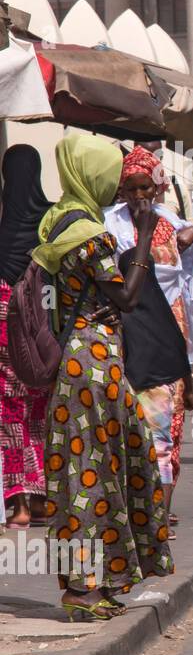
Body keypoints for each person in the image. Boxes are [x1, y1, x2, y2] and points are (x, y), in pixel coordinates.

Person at [33, 135, 172, 621]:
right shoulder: (89, 234)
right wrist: (145, 237)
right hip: (90, 367)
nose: (117, 184)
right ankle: (82, 590)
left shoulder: (58, 219)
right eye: (110, 174)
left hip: (84, 367)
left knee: (98, 472)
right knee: (91, 477)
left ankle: (101, 580)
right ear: (90, 173)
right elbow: (127, 297)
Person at [105, 146, 193, 530]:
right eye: (130, 189)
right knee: (133, 423)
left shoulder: (169, 221)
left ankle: (159, 514)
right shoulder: (111, 225)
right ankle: (139, 510)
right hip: (128, 331)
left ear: (156, 187)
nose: (138, 196)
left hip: (170, 334)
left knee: (169, 427)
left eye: (144, 188)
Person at [0, 145, 53, 528]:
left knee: (10, 418)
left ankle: (17, 503)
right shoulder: (49, 219)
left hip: (4, 329)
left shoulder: (2, 219)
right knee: (39, 413)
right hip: (39, 329)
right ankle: (39, 500)